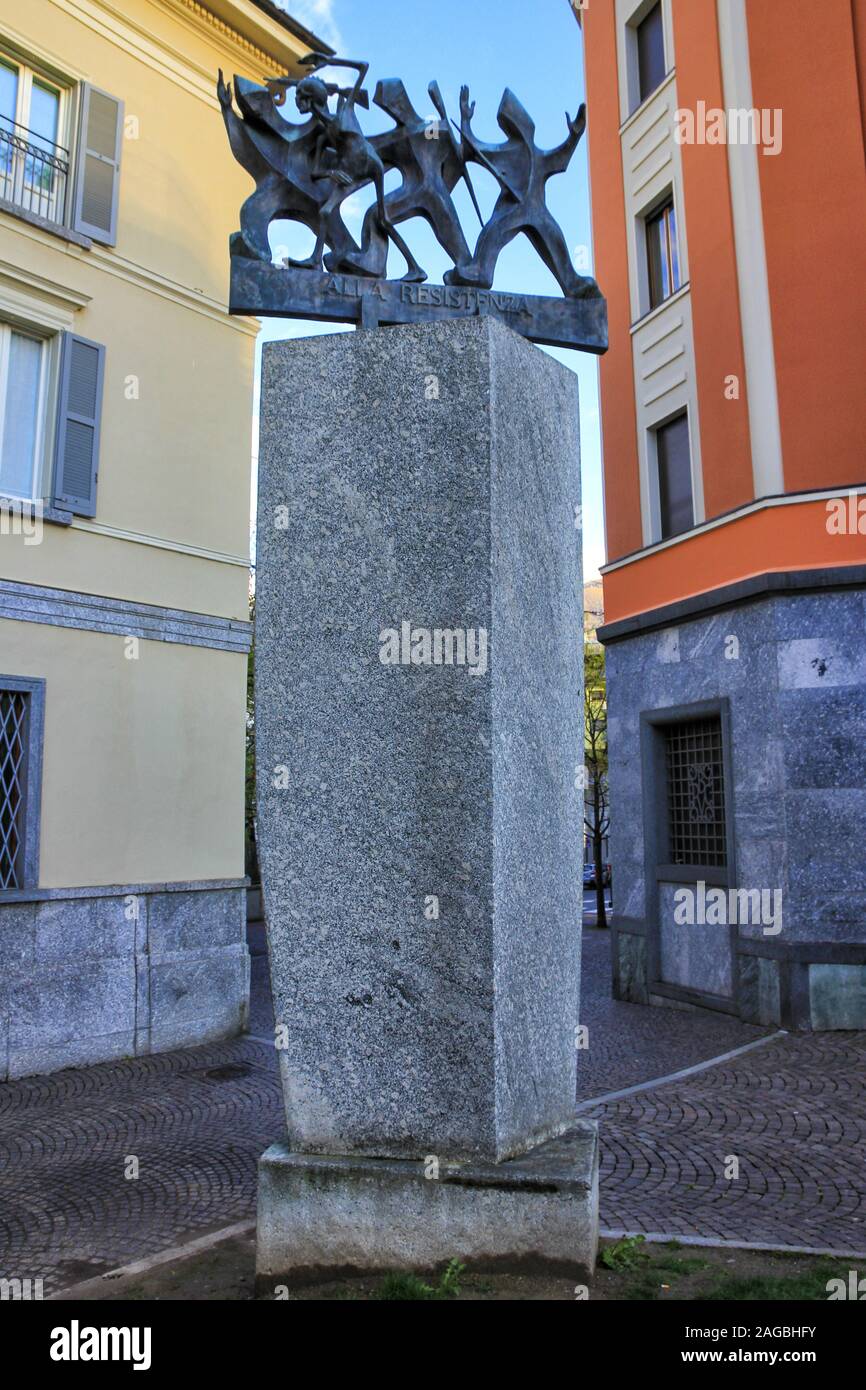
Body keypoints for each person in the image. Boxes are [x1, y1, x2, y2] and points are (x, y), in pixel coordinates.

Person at [446, 85, 600, 299]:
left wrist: (574, 137)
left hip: (538, 212)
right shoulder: (505, 152)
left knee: (556, 243)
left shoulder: (539, 156)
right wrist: (465, 120)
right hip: (511, 209)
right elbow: (472, 148)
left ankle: (573, 284)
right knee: (491, 233)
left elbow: (562, 158)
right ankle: (480, 271)